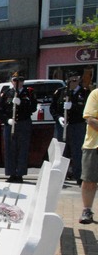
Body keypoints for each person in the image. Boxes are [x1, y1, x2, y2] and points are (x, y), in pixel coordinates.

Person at [0, 71, 37, 183]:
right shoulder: (6, 93)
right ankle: (11, 173)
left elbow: (33, 107)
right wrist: (7, 120)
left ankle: (20, 174)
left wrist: (22, 103)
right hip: (10, 124)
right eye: (15, 80)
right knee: (10, 149)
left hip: (24, 123)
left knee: (22, 149)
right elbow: (0, 111)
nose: (18, 83)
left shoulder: (29, 92)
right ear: (11, 81)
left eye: (20, 80)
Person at [51, 71, 88, 184]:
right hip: (63, 125)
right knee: (61, 152)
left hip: (77, 125)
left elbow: (87, 110)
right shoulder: (61, 92)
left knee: (78, 152)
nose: (73, 82)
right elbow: (53, 108)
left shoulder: (85, 93)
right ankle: (60, 177)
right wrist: (59, 118)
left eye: (75, 80)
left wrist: (74, 106)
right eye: (71, 80)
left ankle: (79, 176)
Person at [79, 87, 98, 224]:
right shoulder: (95, 94)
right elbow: (90, 119)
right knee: (89, 180)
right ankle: (87, 210)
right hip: (94, 145)